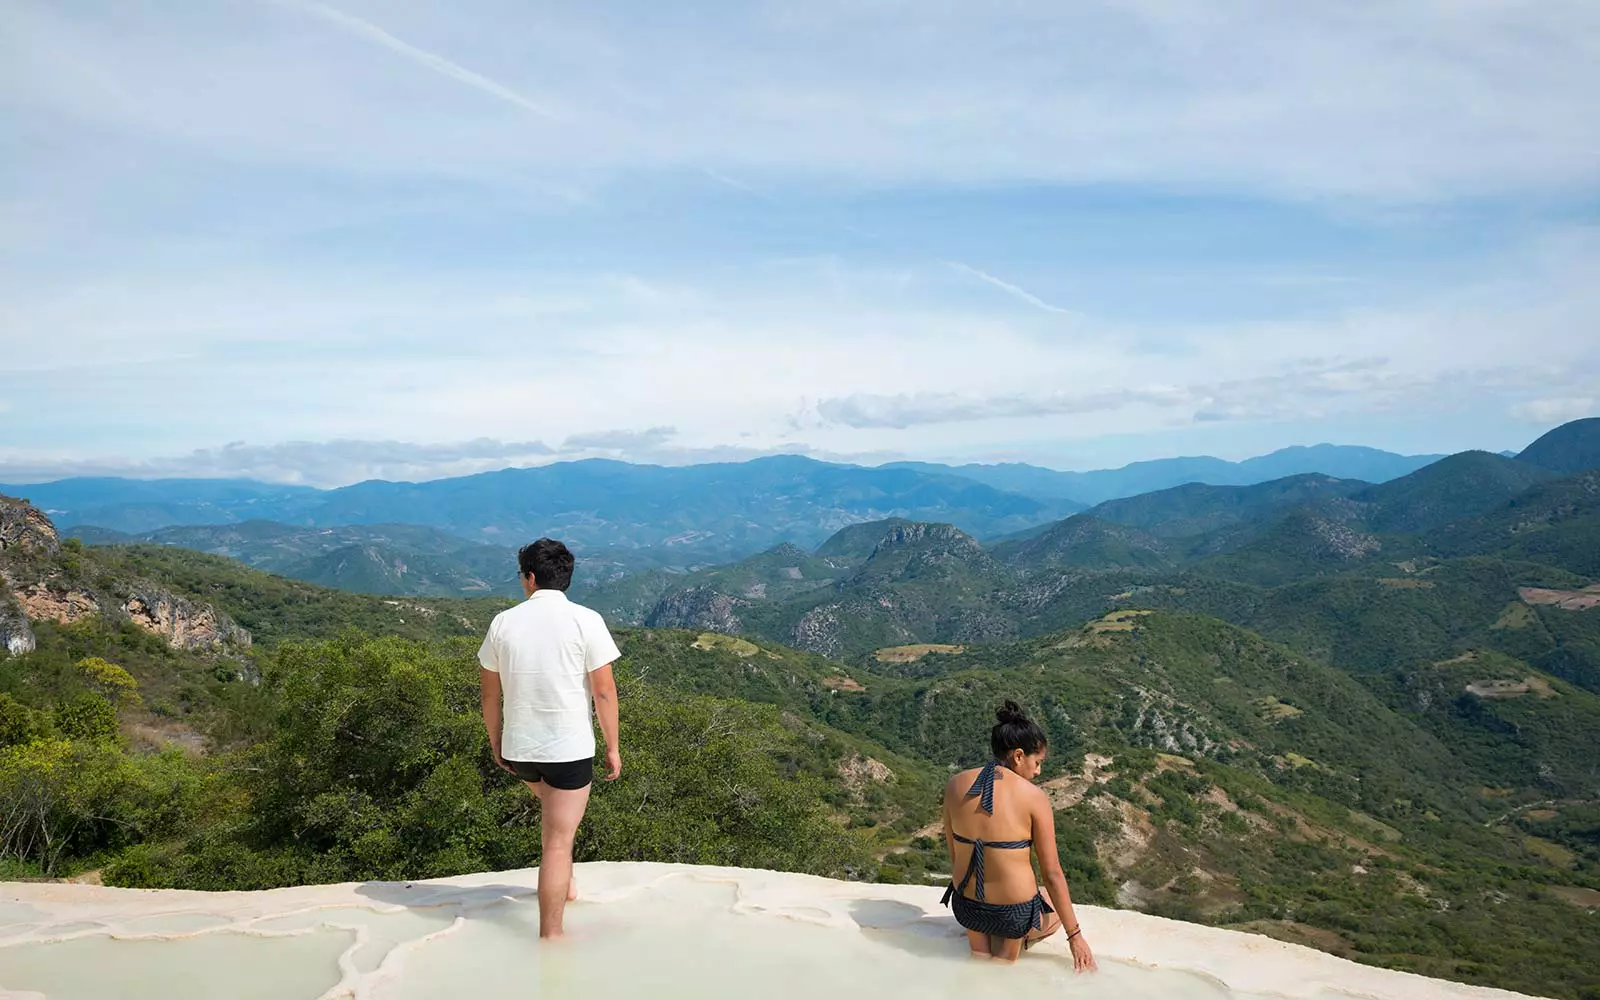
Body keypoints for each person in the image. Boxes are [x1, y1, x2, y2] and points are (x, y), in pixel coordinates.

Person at [479, 537, 622, 940]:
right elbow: (604, 691)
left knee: (555, 816)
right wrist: (612, 747)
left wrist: (496, 743)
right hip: (569, 750)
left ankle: (567, 888)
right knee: (557, 841)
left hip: (520, 749)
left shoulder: (503, 623)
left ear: (529, 578)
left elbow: (490, 693)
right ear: (566, 578)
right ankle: (552, 935)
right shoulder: (586, 620)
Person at [941, 700, 1097, 969]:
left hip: (967, 909)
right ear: (1018, 756)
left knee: (978, 960)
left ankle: (980, 947)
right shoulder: (1034, 798)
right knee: (1048, 904)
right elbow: (1053, 874)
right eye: (1037, 762)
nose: (1038, 771)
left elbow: (955, 854)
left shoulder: (954, 785)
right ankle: (1010, 948)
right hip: (1012, 916)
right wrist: (1076, 937)